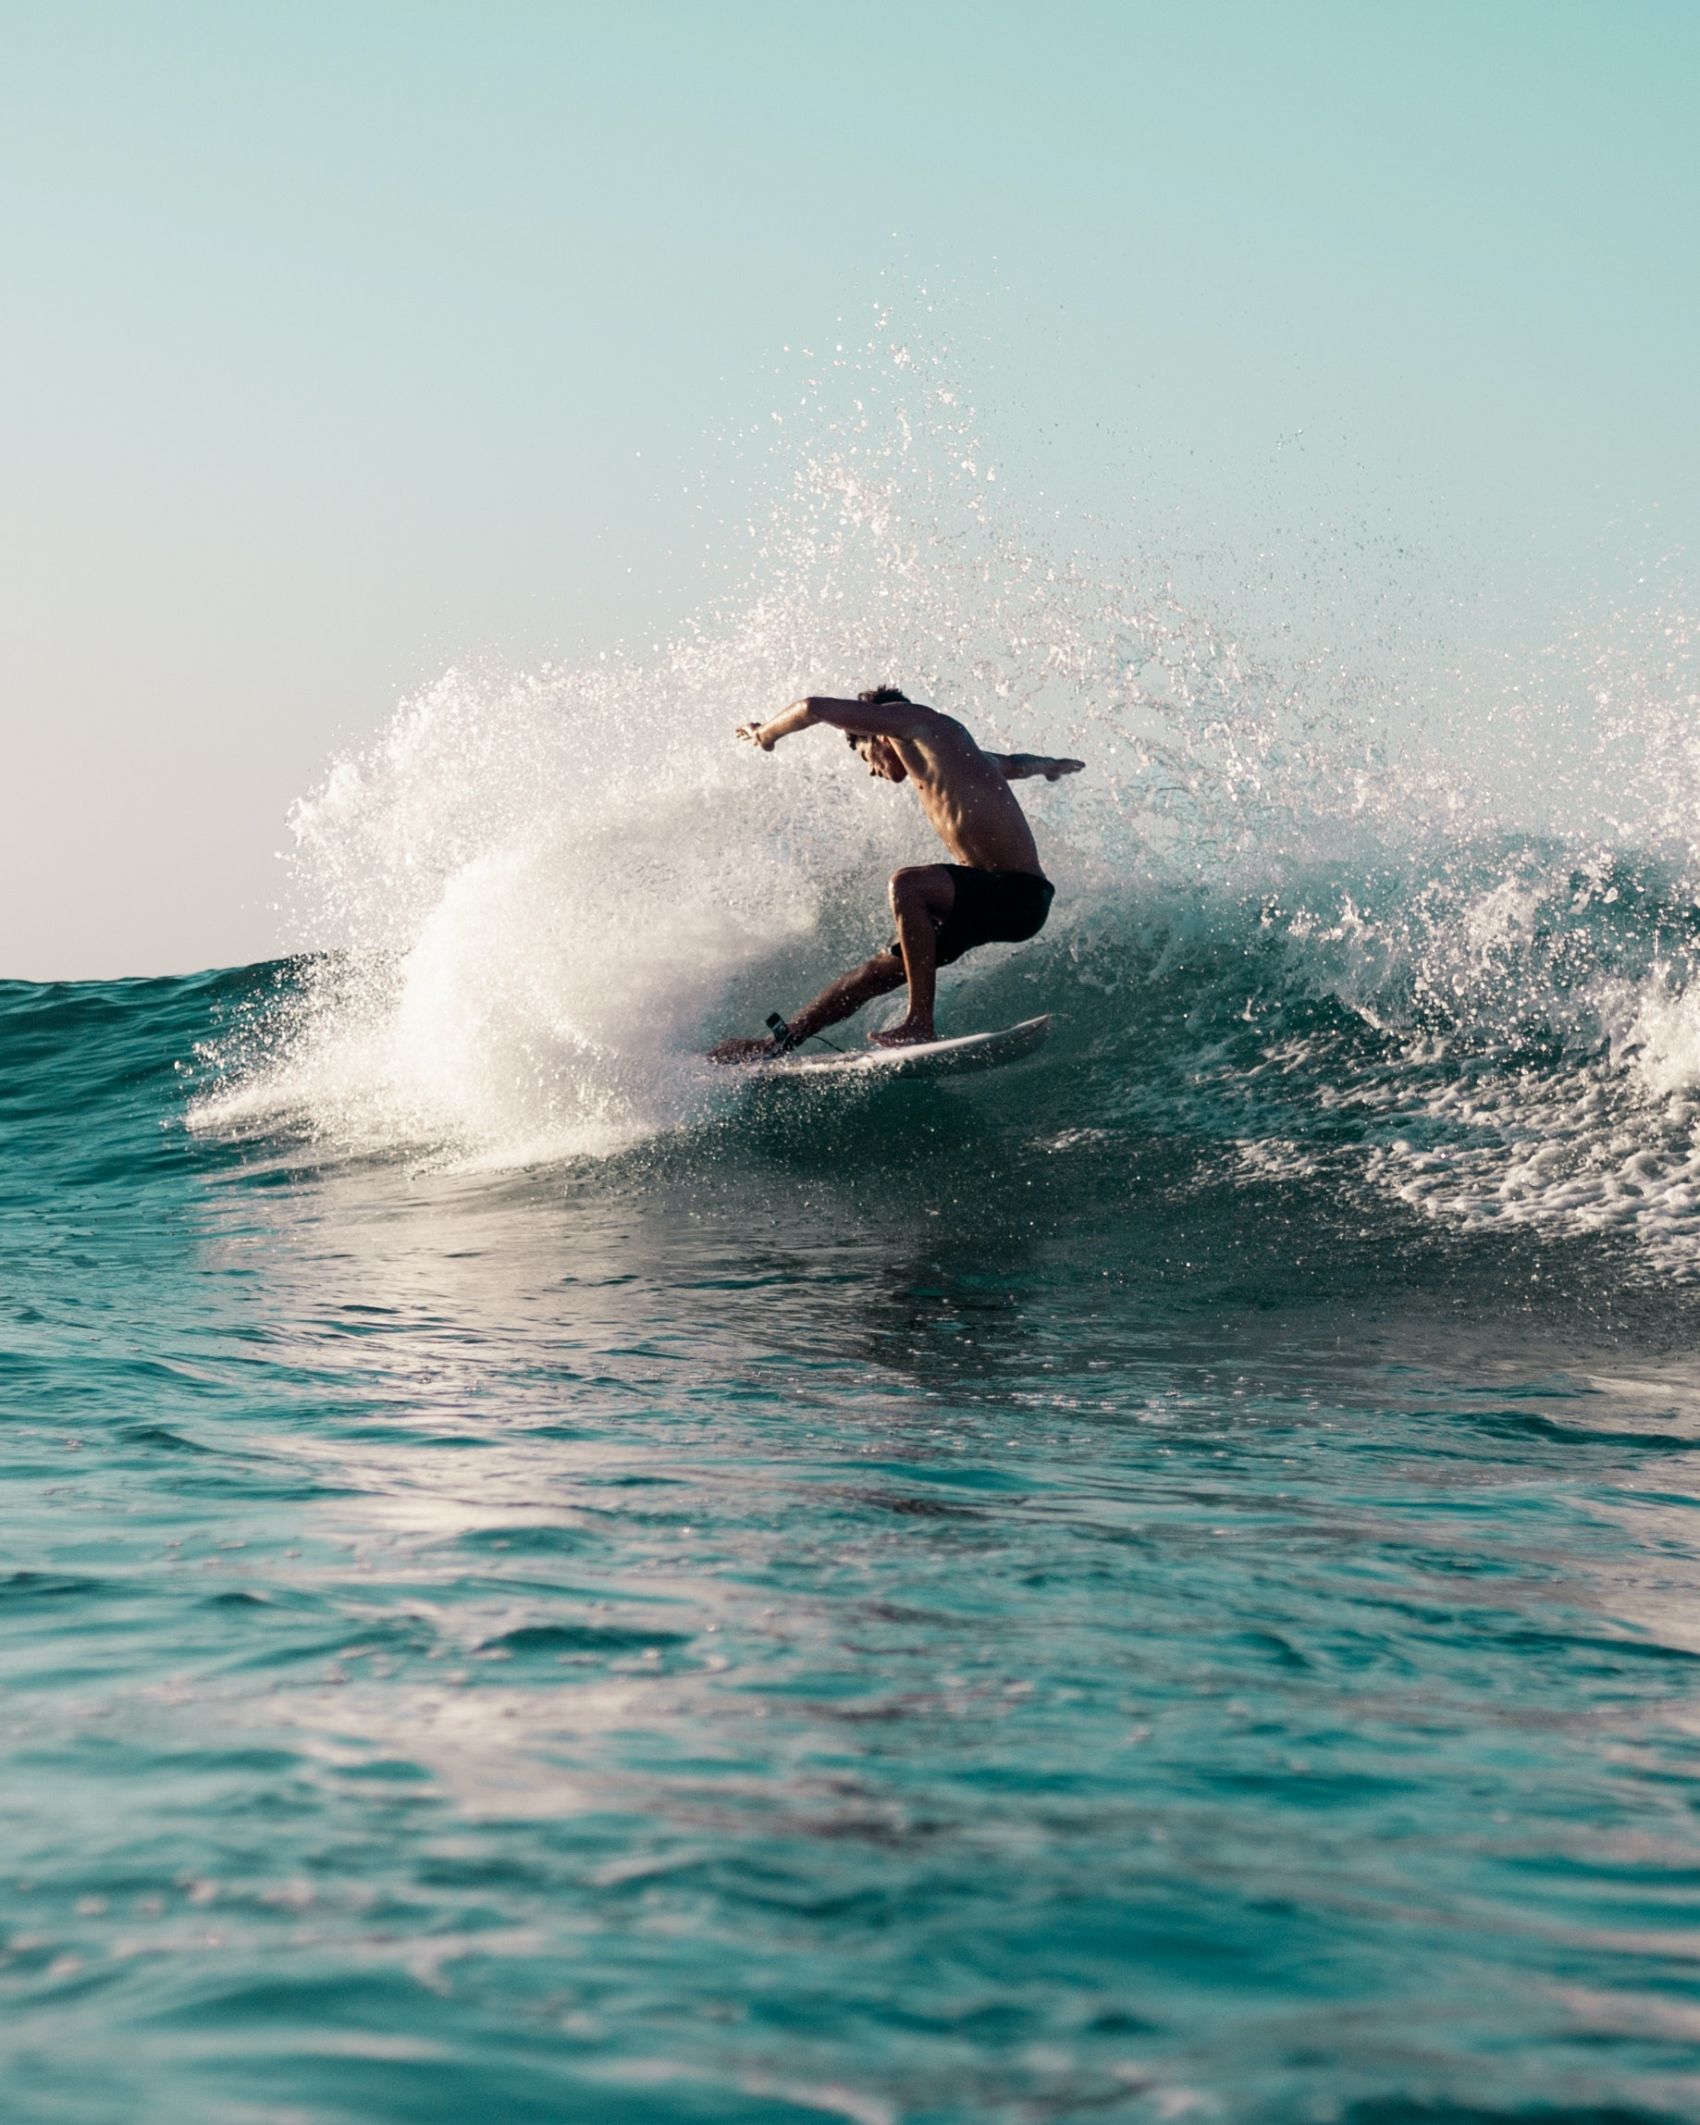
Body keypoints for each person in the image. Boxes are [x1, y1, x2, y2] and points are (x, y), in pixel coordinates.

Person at [708, 687, 1083, 1060]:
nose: (871, 769)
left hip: (1020, 895)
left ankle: (919, 1023)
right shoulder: (953, 754)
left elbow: (812, 707)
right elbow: (1014, 764)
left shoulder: (920, 722)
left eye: (864, 755)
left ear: (878, 732)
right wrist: (1051, 766)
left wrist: (765, 735)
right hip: (987, 901)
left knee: (908, 885)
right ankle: (776, 1045)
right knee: (875, 972)